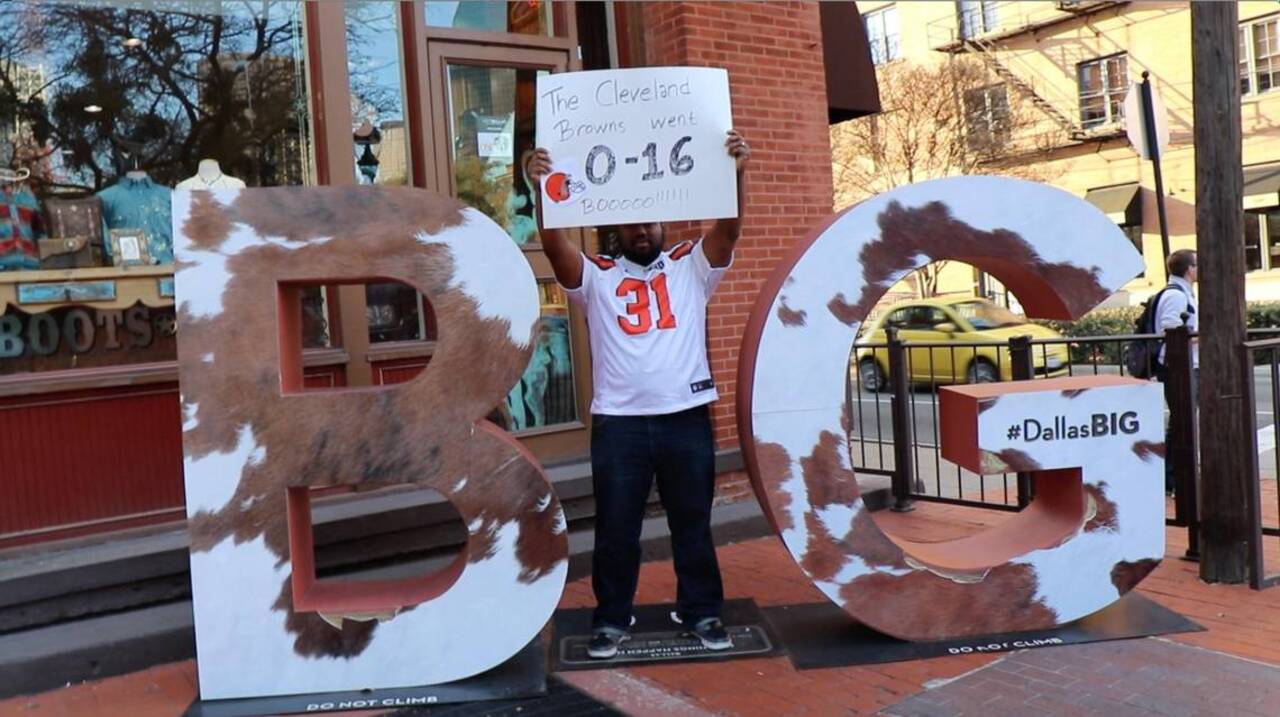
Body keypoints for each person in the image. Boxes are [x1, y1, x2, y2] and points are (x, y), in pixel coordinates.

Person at [529, 130, 750, 659]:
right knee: (616, 529)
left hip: (685, 415)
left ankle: (701, 611)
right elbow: (557, 248)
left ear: (663, 222)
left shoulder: (690, 266)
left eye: (648, 221)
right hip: (620, 422)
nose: (640, 230)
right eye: (630, 223)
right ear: (616, 229)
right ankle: (611, 618)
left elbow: (730, 230)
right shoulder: (597, 278)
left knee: (693, 524)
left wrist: (736, 176)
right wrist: (542, 191)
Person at [1155, 249, 1198, 495]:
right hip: (1177, 368)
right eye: (1197, 264)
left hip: (1183, 367)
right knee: (1182, 421)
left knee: (1182, 421)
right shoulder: (1175, 296)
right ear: (1188, 269)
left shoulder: (1183, 293)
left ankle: (1175, 475)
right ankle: (1171, 477)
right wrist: (1199, 337)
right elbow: (1171, 333)